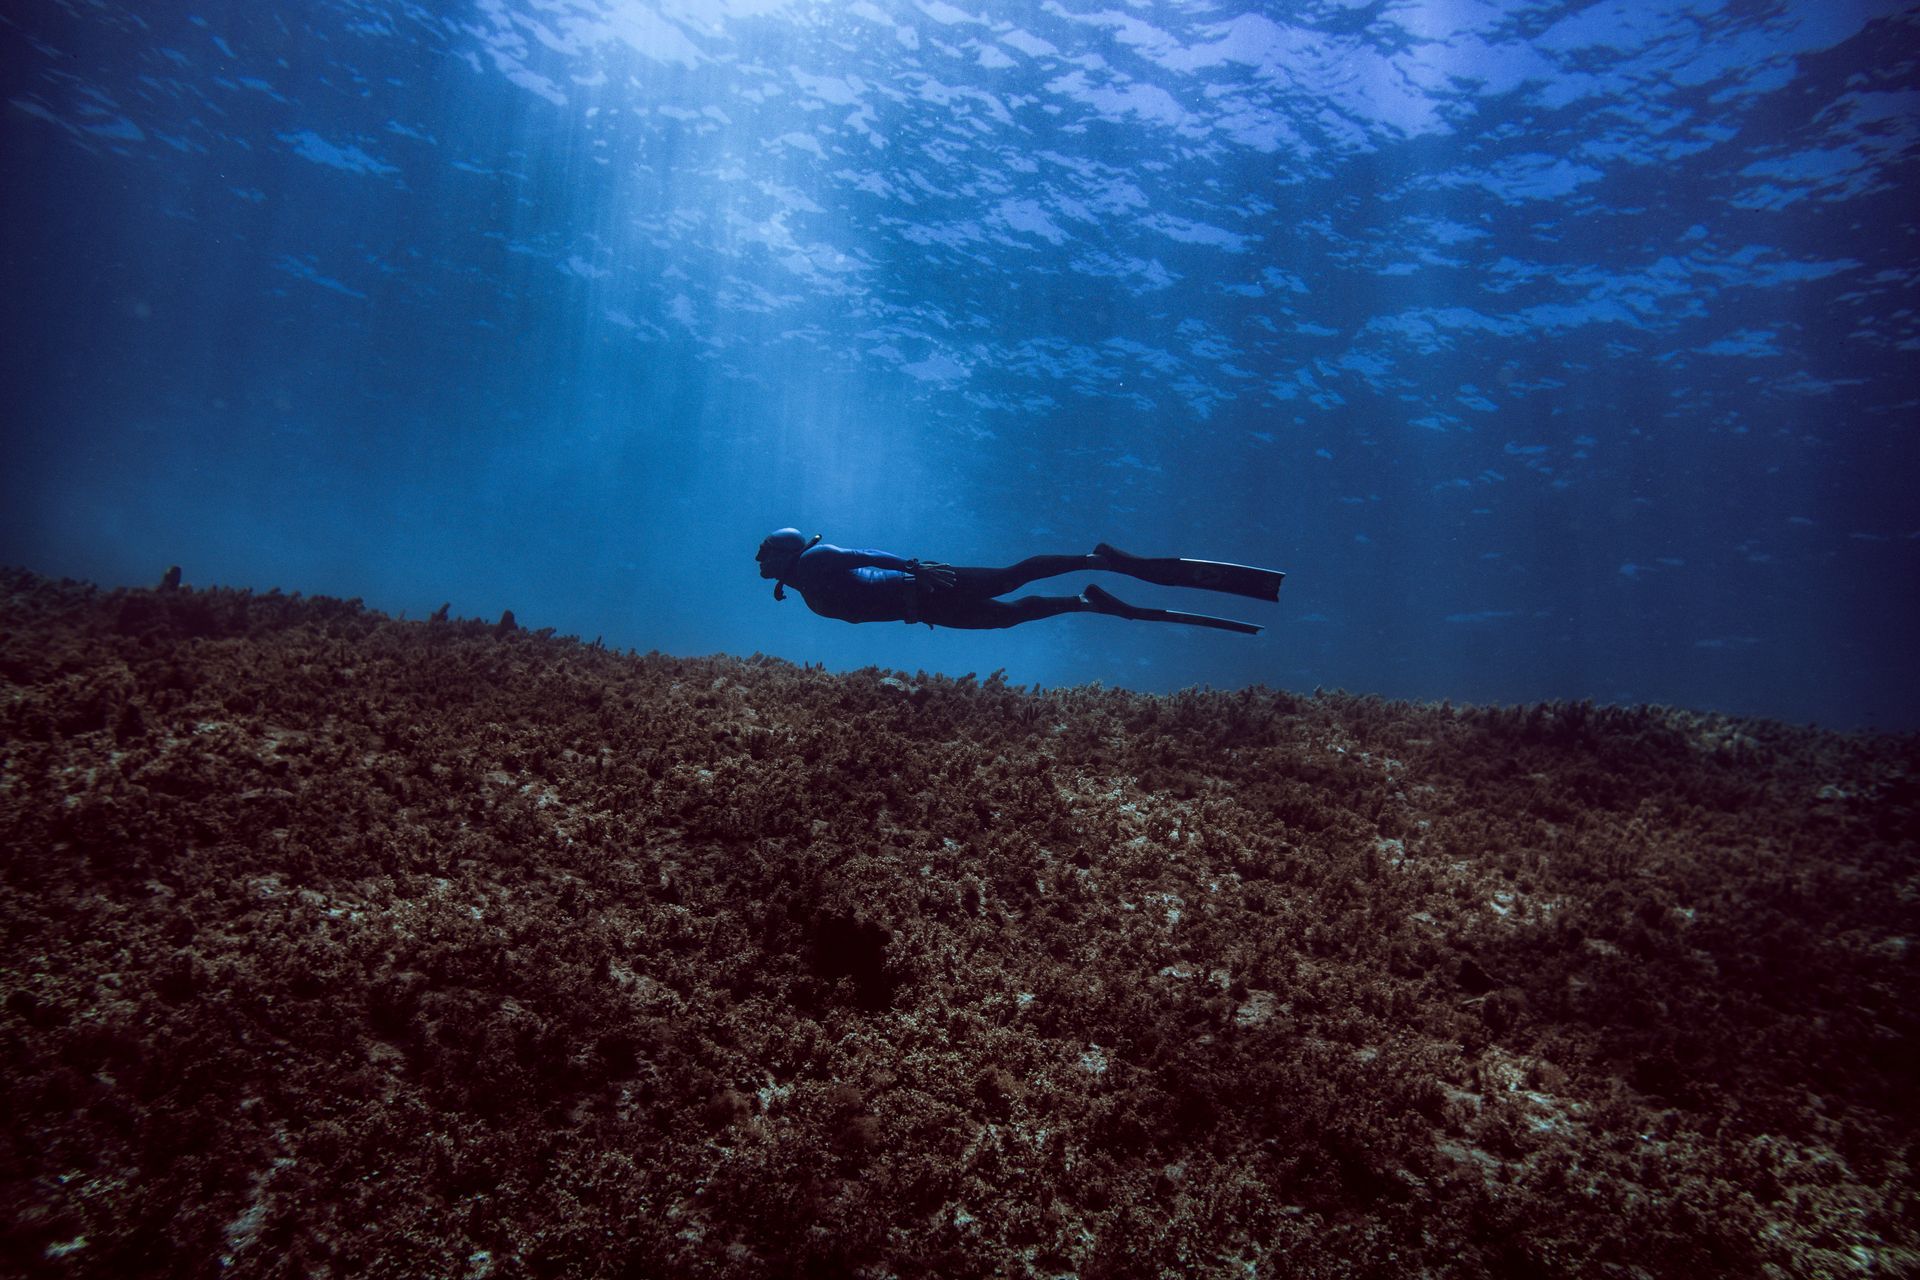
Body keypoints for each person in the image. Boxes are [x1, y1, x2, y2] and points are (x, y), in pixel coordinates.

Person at [754, 528, 1284, 635]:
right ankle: (1083, 600)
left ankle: (1092, 559)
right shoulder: (804, 593)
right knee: (1010, 616)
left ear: (782, 554)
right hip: (928, 610)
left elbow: (863, 554)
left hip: (931, 586)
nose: (758, 562)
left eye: (763, 554)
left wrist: (915, 568)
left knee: (1011, 578)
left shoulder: (815, 560)